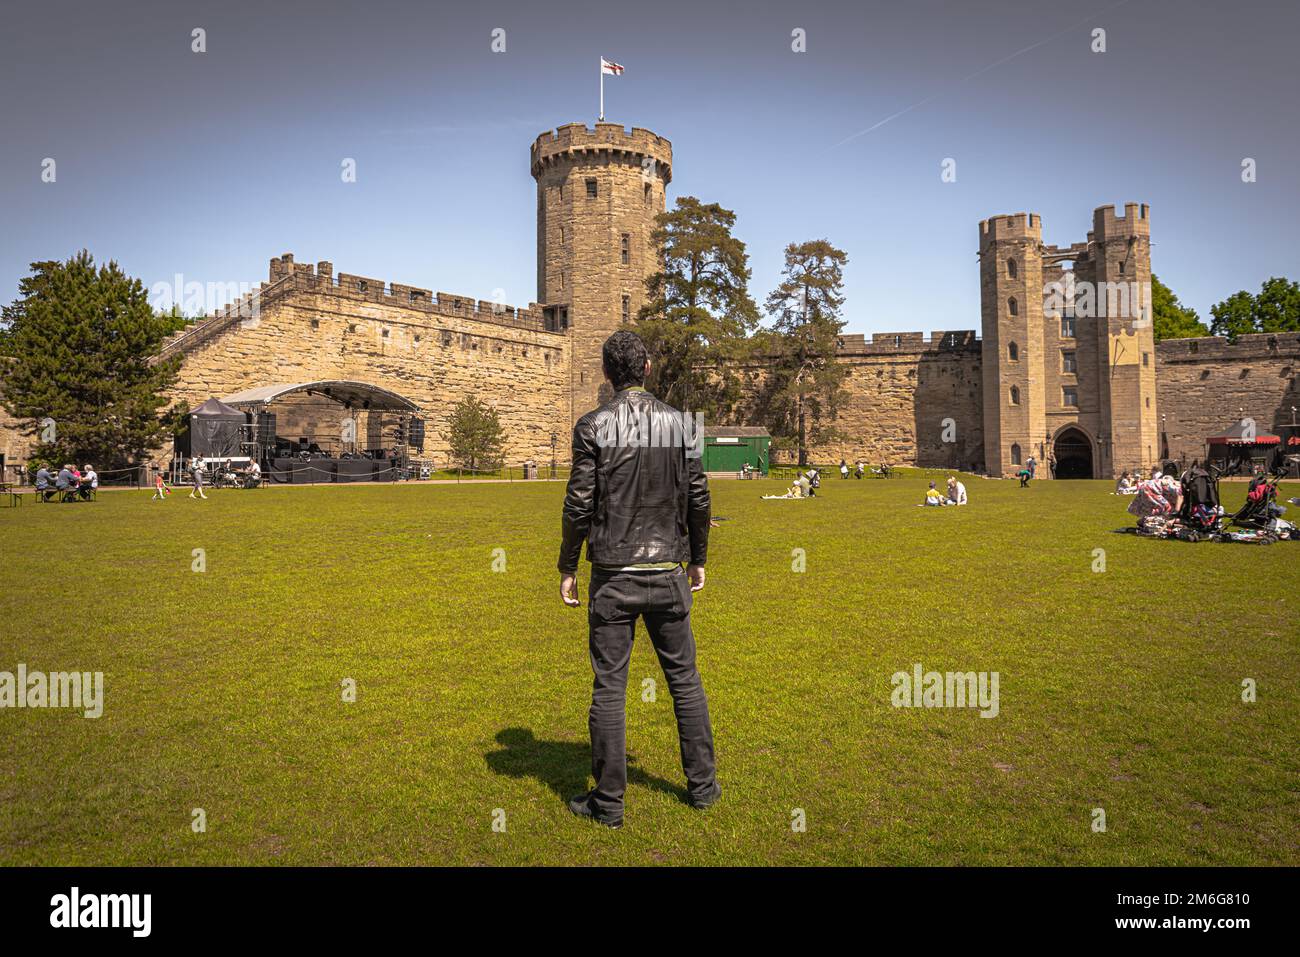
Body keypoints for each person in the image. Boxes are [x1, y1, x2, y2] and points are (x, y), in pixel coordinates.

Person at [558, 330, 718, 829]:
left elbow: (578, 505)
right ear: (646, 368)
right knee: (685, 683)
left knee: (610, 687)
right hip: (666, 570)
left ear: (606, 374)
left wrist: (567, 566)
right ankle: (704, 790)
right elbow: (698, 497)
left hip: (613, 575)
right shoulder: (679, 424)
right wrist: (697, 558)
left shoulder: (593, 425)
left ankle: (608, 804)